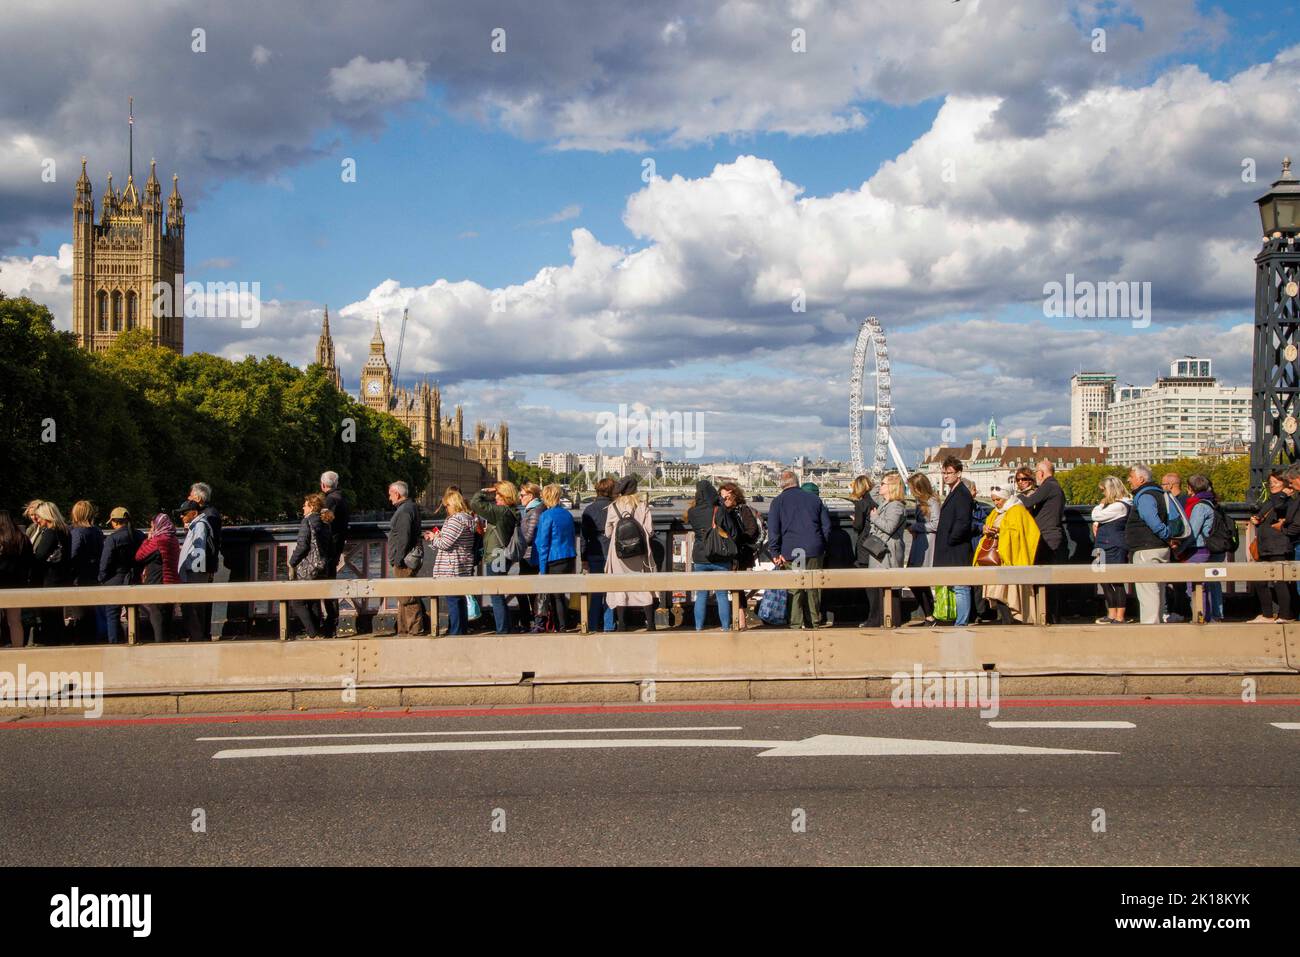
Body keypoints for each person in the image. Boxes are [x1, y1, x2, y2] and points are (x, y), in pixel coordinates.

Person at [766, 471, 831, 629]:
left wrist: (775, 552)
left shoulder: (778, 502)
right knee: (813, 587)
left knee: (795, 589)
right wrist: (822, 544)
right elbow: (826, 527)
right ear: (797, 481)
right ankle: (814, 622)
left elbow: (773, 531)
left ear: (782, 484)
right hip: (814, 549)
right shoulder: (814, 499)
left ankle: (796, 624)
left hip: (792, 551)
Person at [974, 485, 1041, 623]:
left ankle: (1010, 621)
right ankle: (1007, 620)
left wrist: (999, 532)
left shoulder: (1017, 510)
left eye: (998, 499)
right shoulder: (996, 512)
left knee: (1003, 592)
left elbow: (1022, 534)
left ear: (1006, 497)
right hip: (998, 558)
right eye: (994, 500)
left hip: (1010, 559)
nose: (996, 503)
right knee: (998, 593)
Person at [1125, 464, 1178, 625]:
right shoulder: (1159, 493)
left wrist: (1166, 535)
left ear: (1141, 479)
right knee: (1157, 590)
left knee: (1148, 592)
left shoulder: (1145, 496)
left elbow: (1153, 522)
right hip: (1159, 548)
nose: (1129, 480)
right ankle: (1158, 625)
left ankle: (1150, 629)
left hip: (1146, 549)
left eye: (1131, 476)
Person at [603, 476, 657, 631]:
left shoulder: (613, 507)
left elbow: (608, 532)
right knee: (643, 585)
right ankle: (651, 624)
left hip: (619, 555)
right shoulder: (642, 506)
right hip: (639, 553)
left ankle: (622, 624)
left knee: (620, 586)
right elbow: (650, 530)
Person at [424, 488, 478, 636]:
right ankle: (462, 630)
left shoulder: (455, 520)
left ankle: (456, 633)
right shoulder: (467, 519)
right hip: (462, 565)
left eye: (447, 506)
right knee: (460, 601)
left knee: (453, 601)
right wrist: (440, 535)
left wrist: (433, 537)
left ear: (453, 504)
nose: (446, 509)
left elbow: (445, 544)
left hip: (451, 568)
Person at [471, 480, 522, 635]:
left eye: (498, 494)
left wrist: (484, 491)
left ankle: (502, 630)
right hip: (501, 555)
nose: (495, 497)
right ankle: (505, 627)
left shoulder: (501, 512)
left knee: (496, 595)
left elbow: (475, 503)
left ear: (505, 495)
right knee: (499, 594)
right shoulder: (511, 511)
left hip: (496, 556)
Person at [1020, 459, 1067, 622]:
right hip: (1054, 535)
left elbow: (1027, 502)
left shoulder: (1048, 486)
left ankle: (1046, 615)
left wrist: (1021, 492)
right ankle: (1051, 615)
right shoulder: (1057, 487)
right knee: (1049, 579)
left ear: (1041, 473)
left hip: (1046, 537)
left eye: (1036, 473)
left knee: (1044, 578)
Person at [286, 492, 335, 639]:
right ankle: (317, 631)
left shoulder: (307, 521)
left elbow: (302, 546)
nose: (302, 507)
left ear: (312, 506)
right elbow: (331, 547)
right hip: (322, 567)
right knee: (313, 600)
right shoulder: (325, 522)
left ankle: (313, 633)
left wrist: (292, 562)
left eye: (305, 505)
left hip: (308, 568)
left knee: (297, 602)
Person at [934, 456, 976, 626]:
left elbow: (963, 522)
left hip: (957, 549)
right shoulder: (954, 492)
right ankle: (960, 621)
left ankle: (961, 623)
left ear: (958, 473)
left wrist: (951, 540)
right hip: (951, 548)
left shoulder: (962, 494)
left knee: (961, 587)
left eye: (949, 473)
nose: (945, 476)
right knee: (957, 586)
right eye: (943, 472)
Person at [862, 472, 907, 627]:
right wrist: (880, 478)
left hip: (887, 552)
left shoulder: (896, 506)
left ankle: (891, 621)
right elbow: (872, 492)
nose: (879, 486)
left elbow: (889, 527)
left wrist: (874, 518)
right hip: (879, 551)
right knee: (879, 586)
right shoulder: (885, 502)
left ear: (892, 487)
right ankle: (881, 619)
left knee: (890, 587)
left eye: (883, 484)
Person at [1249, 469, 1293, 623]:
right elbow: (1263, 514)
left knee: (1280, 581)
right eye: (1270, 482)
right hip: (1265, 544)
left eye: (1276, 482)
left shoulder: (1287, 499)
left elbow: (1281, 508)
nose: (1272, 485)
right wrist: (1257, 519)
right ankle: (1267, 614)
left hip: (1279, 544)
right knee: (1260, 580)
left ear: (1285, 483)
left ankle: (1285, 614)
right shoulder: (1270, 499)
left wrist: (1283, 494)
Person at [532, 484, 577, 632]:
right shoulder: (567, 514)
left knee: (555, 596)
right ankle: (563, 624)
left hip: (553, 559)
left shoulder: (546, 516)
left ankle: (560, 626)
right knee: (562, 594)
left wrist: (542, 569)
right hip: (568, 557)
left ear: (546, 497)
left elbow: (543, 544)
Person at [1182, 474, 1226, 623]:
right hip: (1206, 548)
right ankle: (1209, 616)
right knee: (1203, 584)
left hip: (1198, 549)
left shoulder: (1200, 506)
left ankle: (1201, 618)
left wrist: (1179, 547)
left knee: (1195, 586)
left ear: (1191, 488)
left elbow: (1192, 531)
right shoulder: (1211, 502)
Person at [386, 480, 428, 636]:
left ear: (397, 494)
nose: (389, 498)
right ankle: (404, 629)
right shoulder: (410, 507)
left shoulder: (404, 510)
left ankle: (415, 630)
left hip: (405, 560)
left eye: (390, 494)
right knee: (404, 596)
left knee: (408, 597)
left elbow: (404, 537)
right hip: (407, 558)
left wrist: (397, 559)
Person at [28, 501, 71, 645]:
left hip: (49, 579)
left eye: (39, 517)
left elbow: (39, 556)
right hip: (61, 577)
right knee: (57, 615)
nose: (37, 520)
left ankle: (51, 643)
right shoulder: (65, 531)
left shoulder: (51, 533)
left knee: (49, 615)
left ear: (47, 516)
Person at [721, 482, 762, 630]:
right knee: (732, 587)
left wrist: (736, 539)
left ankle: (740, 620)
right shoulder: (721, 511)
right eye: (722, 497)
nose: (725, 499)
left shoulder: (742, 510)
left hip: (741, 554)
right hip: (726, 554)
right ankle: (736, 619)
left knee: (736, 587)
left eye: (727, 496)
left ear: (735, 496)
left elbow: (751, 530)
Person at [99, 507, 143, 643]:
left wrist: (101, 578)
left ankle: (114, 643)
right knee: (133, 613)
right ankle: (135, 640)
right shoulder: (140, 535)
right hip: (134, 577)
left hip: (114, 579)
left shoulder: (113, 538)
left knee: (112, 614)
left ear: (114, 522)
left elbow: (105, 562)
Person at [1090, 476, 1130, 624]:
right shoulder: (1114, 506)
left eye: (1104, 491)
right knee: (1103, 579)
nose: (1103, 495)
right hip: (1101, 545)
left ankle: (1120, 615)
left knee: (1117, 581)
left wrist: (1100, 505)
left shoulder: (1120, 506)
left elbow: (1096, 515)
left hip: (1114, 545)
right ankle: (1111, 613)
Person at [579, 477, 617, 633]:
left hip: (594, 552)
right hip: (612, 553)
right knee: (611, 591)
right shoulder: (615, 508)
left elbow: (583, 537)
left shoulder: (589, 509)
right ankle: (609, 625)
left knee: (595, 592)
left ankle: (593, 625)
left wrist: (583, 558)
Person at [177, 498, 218, 641]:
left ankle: (197, 638)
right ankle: (197, 637)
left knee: (193, 608)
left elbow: (199, 548)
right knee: (194, 607)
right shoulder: (196, 524)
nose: (181, 516)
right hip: (194, 573)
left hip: (195, 574)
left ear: (194, 513)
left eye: (184, 513)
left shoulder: (200, 525)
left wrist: (195, 572)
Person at [135, 512, 179, 642]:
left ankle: (159, 645)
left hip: (157, 582)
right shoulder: (174, 539)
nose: (152, 529)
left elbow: (139, 556)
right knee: (167, 617)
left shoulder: (158, 541)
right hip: (171, 582)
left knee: (156, 615)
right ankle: (167, 644)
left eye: (152, 526)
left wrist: (147, 539)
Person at [67, 500, 105, 642]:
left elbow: (73, 554)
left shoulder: (77, 532)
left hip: (79, 578)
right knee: (91, 613)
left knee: (80, 613)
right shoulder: (97, 531)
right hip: (93, 576)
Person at [906, 473, 940, 626]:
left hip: (927, 544)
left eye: (912, 487)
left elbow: (935, 525)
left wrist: (916, 527)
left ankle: (930, 616)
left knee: (919, 579)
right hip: (918, 542)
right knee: (914, 579)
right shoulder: (920, 502)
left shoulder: (933, 502)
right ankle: (929, 614)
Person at [319, 471, 350, 638]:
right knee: (329, 584)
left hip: (328, 550)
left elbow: (325, 525)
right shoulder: (342, 498)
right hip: (337, 547)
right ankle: (331, 623)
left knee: (324, 586)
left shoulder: (330, 500)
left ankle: (328, 625)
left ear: (323, 485)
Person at [1161, 472, 1193, 619]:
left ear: (1170, 485)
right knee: (1177, 583)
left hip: (1180, 547)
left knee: (1178, 583)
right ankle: (1179, 611)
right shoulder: (1185, 500)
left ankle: (1179, 612)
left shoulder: (1179, 501)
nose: (1161, 487)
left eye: (1162, 484)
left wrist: (1177, 544)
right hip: (1179, 546)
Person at [513, 483, 545, 630]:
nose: (520, 498)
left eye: (522, 495)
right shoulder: (534, 509)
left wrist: (514, 545)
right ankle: (531, 621)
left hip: (530, 556)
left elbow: (528, 537)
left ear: (531, 496)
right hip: (528, 555)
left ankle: (532, 622)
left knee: (526, 590)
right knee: (526, 589)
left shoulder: (535, 512)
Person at [0, 510, 34, 647]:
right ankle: (18, 649)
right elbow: (30, 562)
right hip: (17, 585)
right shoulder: (23, 539)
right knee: (15, 620)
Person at [849, 475, 878, 624]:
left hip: (864, 546)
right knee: (875, 583)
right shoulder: (873, 503)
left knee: (868, 585)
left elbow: (858, 526)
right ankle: (877, 616)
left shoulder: (860, 504)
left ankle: (872, 618)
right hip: (873, 545)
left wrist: (854, 520)